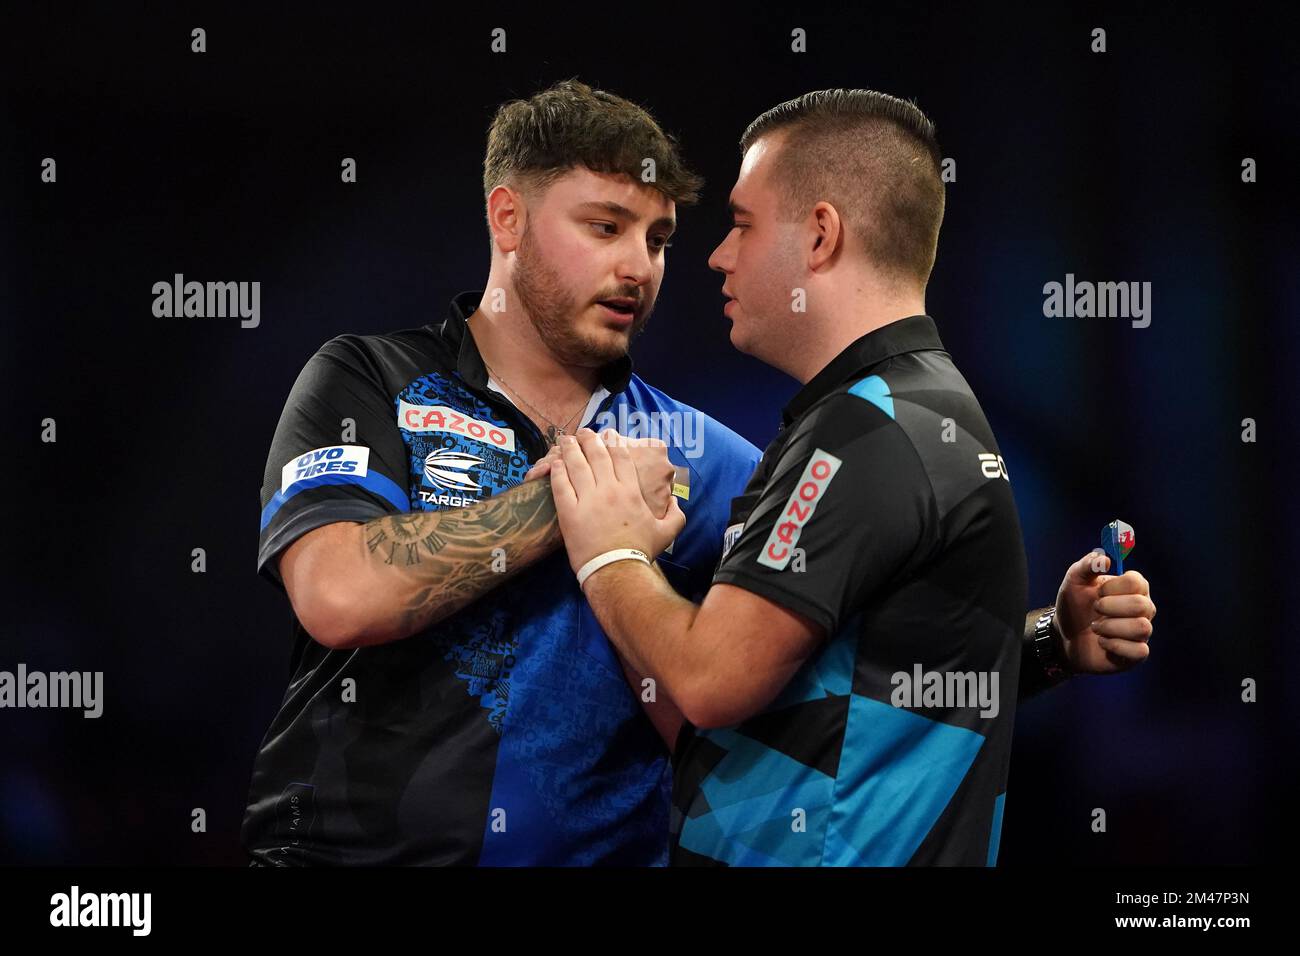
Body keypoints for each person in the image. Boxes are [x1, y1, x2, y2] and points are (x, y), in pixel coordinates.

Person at [547, 89, 1157, 866]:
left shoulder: (866, 432)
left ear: (822, 234)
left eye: (742, 223)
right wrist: (1052, 642)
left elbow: (710, 680)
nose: (717, 255)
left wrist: (609, 553)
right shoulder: (907, 409)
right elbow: (877, 687)